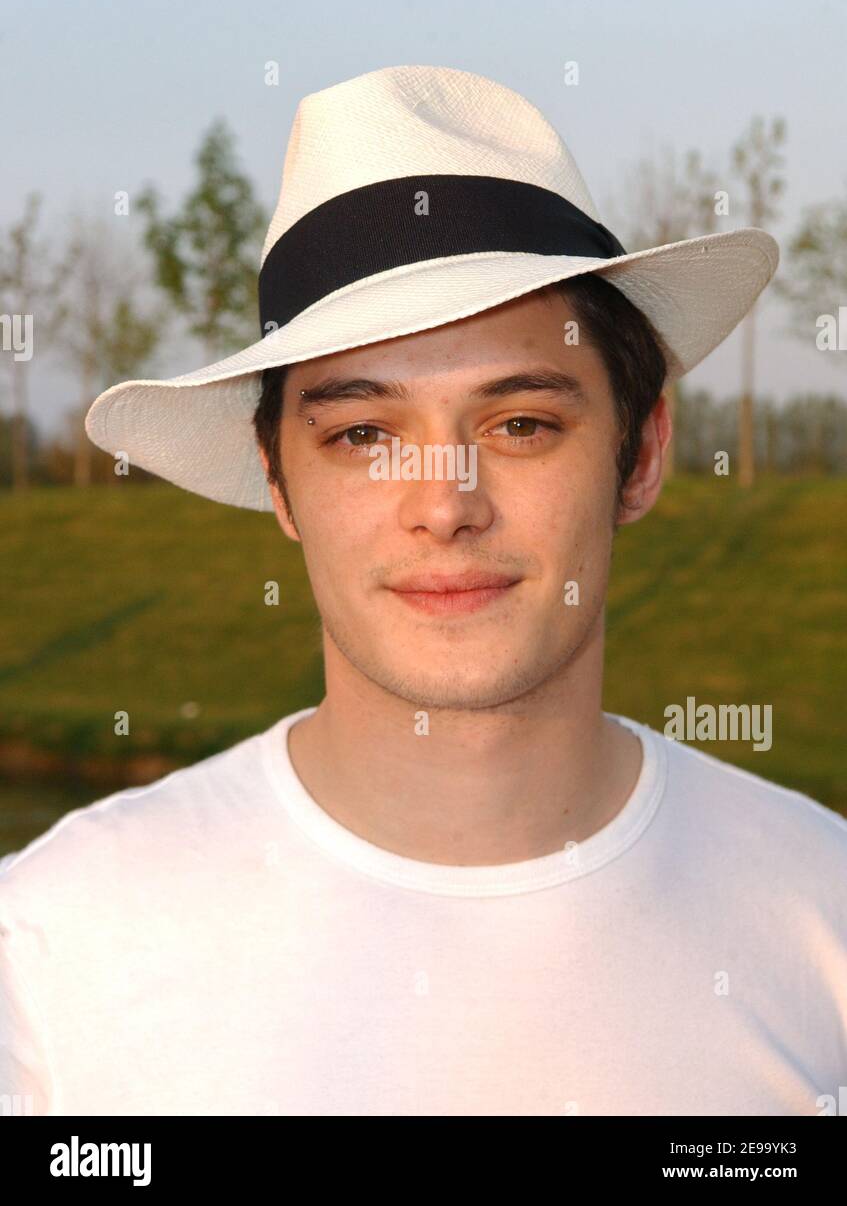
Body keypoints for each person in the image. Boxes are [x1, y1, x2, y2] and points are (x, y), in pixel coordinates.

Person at [2, 65, 844, 1117]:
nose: (443, 505)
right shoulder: (53, 945)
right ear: (278, 482)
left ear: (641, 454)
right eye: (363, 434)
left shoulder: (823, 917)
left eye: (520, 424)